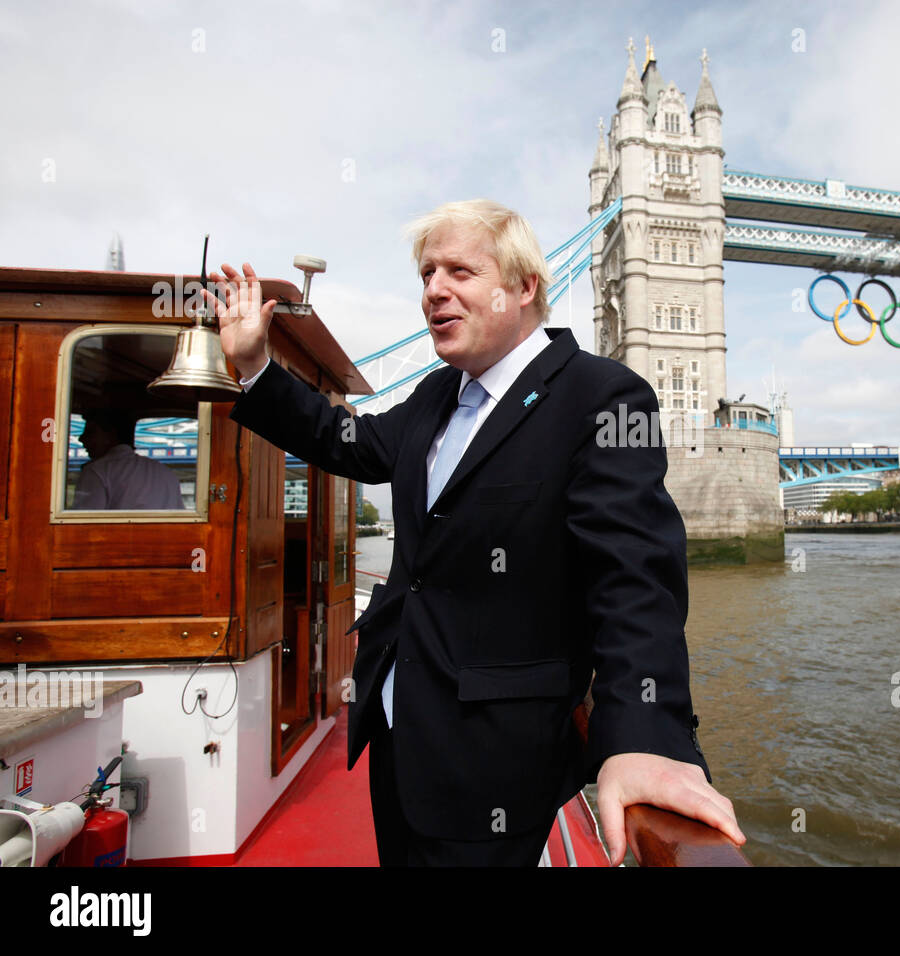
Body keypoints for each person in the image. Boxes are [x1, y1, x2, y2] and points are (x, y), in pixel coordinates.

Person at [209, 199, 744, 866]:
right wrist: (256, 366)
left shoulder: (601, 398)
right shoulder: (436, 396)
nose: (435, 289)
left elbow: (634, 579)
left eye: (460, 270)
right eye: (427, 273)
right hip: (397, 725)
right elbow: (344, 442)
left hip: (494, 758)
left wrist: (646, 734)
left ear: (522, 287)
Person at [71, 408, 185, 510]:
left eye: (90, 432)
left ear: (110, 435)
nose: (81, 438)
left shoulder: (97, 471)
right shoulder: (166, 472)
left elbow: (84, 525)